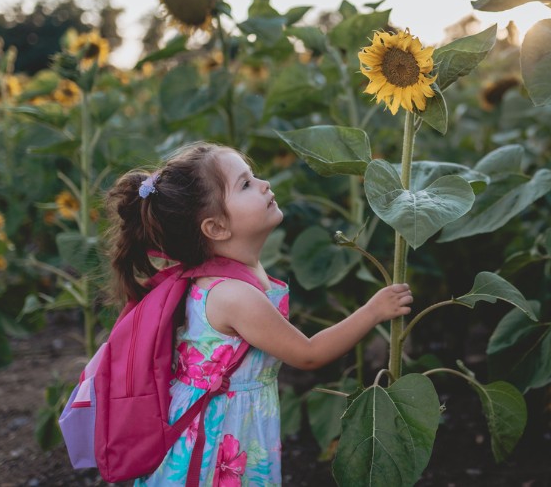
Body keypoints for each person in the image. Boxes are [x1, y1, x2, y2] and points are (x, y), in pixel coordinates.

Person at [104, 141, 413, 486]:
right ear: (216, 228)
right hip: (217, 435)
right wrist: (373, 311)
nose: (265, 184)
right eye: (246, 184)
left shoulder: (227, 276)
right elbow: (307, 354)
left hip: (225, 422)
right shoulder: (233, 294)